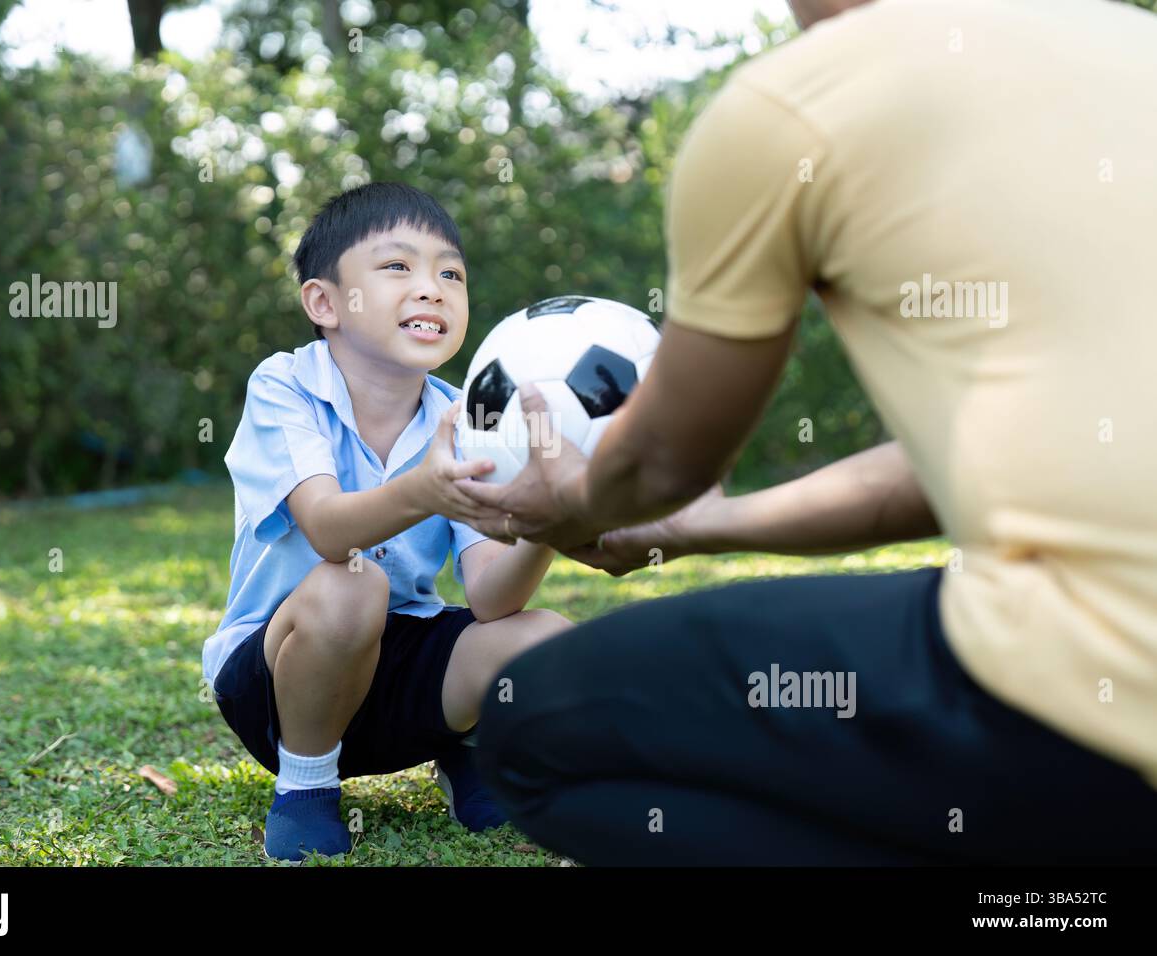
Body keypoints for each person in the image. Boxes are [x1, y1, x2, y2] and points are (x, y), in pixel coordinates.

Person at [458, 0, 1157, 864]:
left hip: (1106, 693)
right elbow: (988, 458)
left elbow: (665, 458)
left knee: (535, 723)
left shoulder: (788, 109)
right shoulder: (1126, 37)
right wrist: (704, 527)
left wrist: (570, 499)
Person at [203, 182, 570, 863]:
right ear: (325, 302)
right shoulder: (286, 385)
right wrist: (425, 490)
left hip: (402, 674)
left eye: (450, 273)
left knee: (548, 639)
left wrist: (546, 524)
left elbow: (492, 597)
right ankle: (307, 787)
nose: (431, 288)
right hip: (283, 681)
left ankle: (463, 746)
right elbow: (328, 531)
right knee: (352, 582)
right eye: (398, 266)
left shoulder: (468, 414)